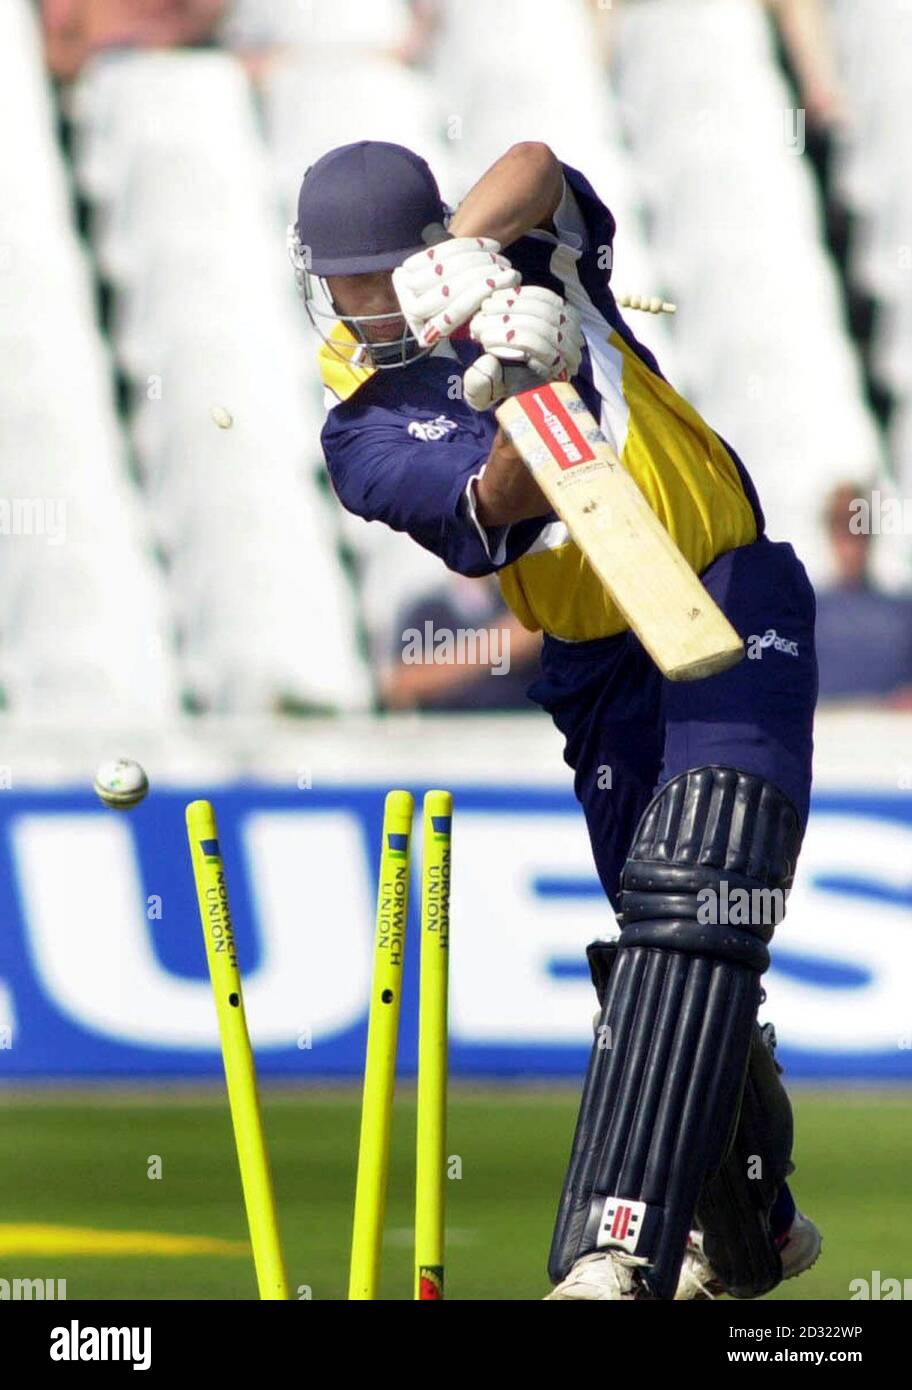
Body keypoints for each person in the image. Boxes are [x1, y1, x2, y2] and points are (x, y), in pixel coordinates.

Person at [289, 138, 821, 1300]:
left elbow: (535, 161)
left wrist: (481, 260)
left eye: (372, 274)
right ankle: (758, 1221)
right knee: (674, 944)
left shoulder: (529, 255)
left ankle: (611, 1245)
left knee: (699, 880)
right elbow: (493, 504)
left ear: (419, 252)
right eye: (341, 282)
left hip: (726, 585)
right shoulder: (361, 422)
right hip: (597, 668)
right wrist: (528, 386)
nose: (353, 301)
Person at [816, 483, 912, 705]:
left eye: (859, 527)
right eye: (840, 526)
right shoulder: (802, 609)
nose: (851, 543)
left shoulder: (903, 612)